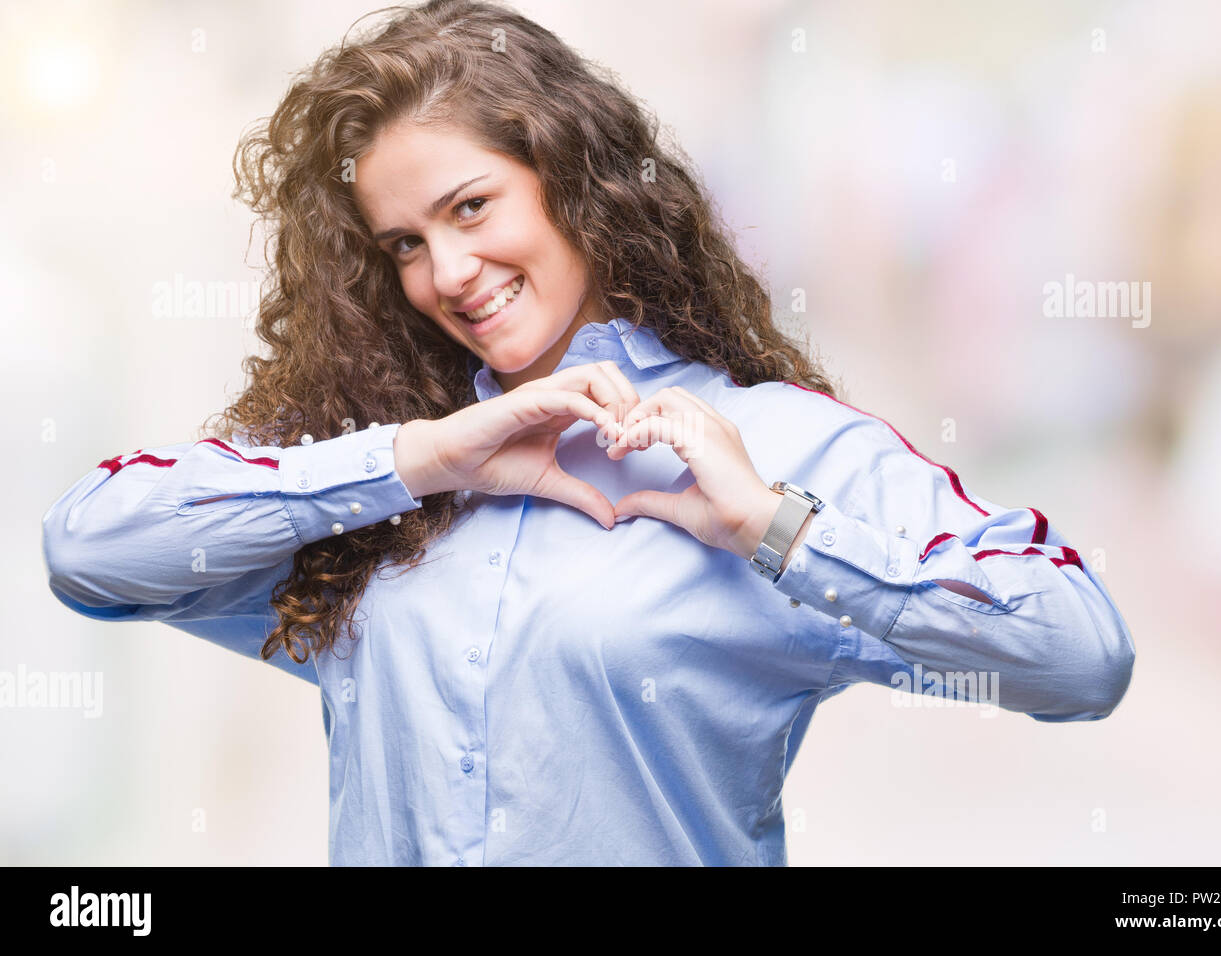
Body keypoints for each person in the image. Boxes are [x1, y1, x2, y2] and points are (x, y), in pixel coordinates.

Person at [40, 0, 1135, 866]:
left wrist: (770, 526)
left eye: (471, 208)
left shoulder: (782, 447)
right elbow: (90, 551)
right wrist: (422, 458)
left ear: (573, 179)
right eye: (405, 244)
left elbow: (1078, 657)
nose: (448, 274)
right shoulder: (380, 465)